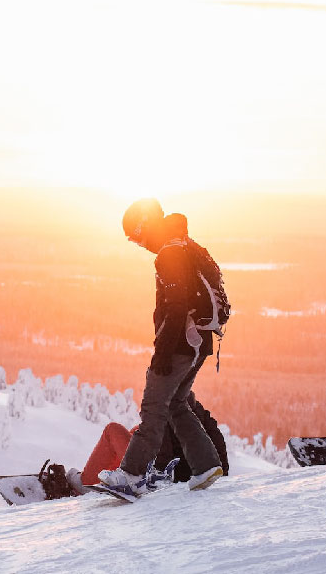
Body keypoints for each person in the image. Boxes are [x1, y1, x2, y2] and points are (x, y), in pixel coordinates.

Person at [97, 199, 225, 497]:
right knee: (177, 405)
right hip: (200, 340)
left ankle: (131, 475)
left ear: (144, 227)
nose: (137, 243)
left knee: (154, 407)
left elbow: (176, 306)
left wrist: (163, 352)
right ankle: (206, 465)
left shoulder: (169, 253)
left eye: (135, 236)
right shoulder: (185, 244)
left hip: (180, 342)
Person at [67, 392, 229, 494]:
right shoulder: (195, 411)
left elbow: (161, 447)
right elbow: (217, 441)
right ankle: (110, 477)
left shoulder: (166, 404)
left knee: (112, 430)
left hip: (160, 474)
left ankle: (87, 482)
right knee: (135, 430)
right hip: (197, 470)